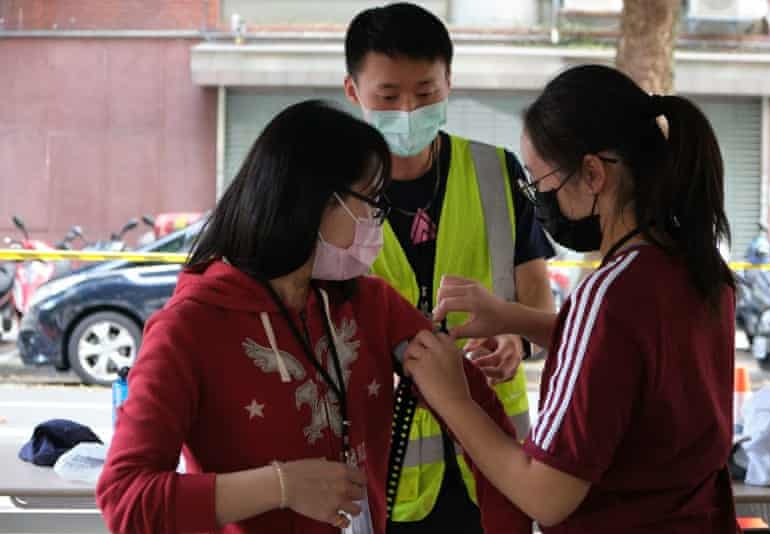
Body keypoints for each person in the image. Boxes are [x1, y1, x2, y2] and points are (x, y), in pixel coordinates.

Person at [96, 100, 530, 534]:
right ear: (314, 200)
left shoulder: (369, 304)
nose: (376, 221)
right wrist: (280, 486)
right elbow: (125, 500)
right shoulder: (189, 328)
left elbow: (477, 404)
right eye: (371, 201)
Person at [403, 64, 743, 533]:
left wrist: (453, 400)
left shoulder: (610, 294)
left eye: (541, 183)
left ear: (592, 174)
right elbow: (633, 357)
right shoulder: (698, 270)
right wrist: (512, 317)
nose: (542, 201)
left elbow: (546, 495)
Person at [343, 4, 554, 532]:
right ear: (352, 91)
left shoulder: (497, 171)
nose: (409, 110)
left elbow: (537, 295)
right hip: (384, 472)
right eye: (388, 96)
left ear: (449, 84)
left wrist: (516, 340)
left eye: (426, 93)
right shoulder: (329, 192)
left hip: (495, 463)